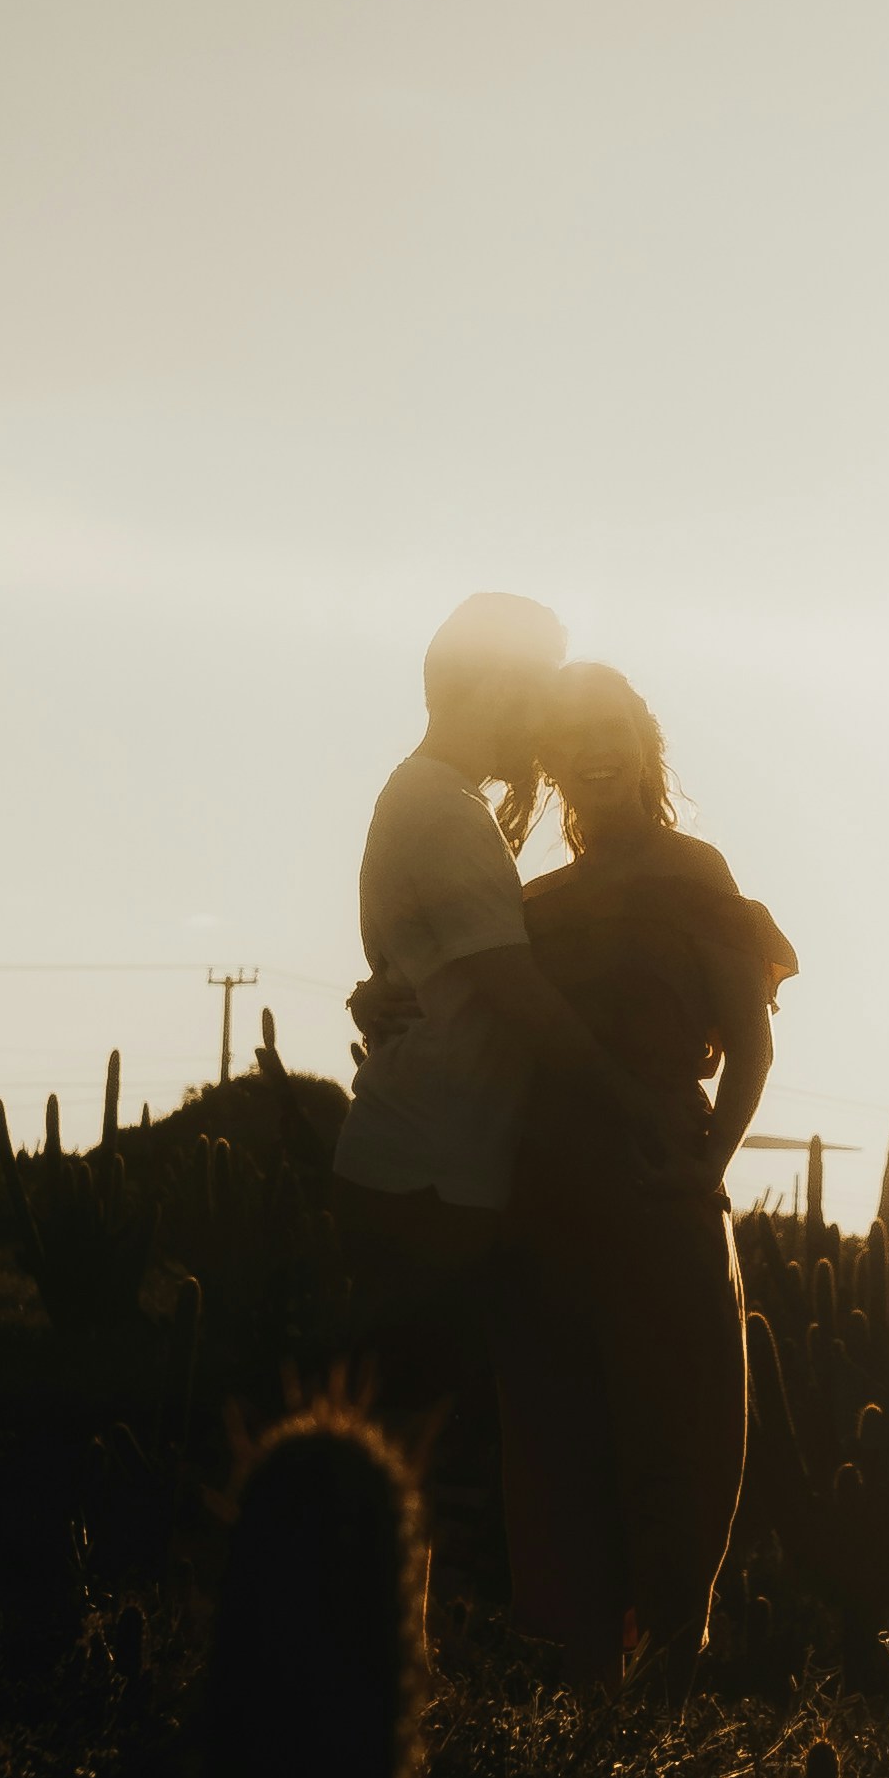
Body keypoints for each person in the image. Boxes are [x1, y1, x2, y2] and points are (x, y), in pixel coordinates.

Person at [327, 596, 680, 1565]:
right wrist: (635, 1099)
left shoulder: (435, 799)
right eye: (531, 688)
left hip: (432, 1159)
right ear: (486, 681)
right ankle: (401, 1664)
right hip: (428, 1173)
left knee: (425, 1435)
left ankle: (411, 1660)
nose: (539, 718)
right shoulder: (439, 808)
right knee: (421, 1445)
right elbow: (514, 991)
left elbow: (439, 971)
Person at [496, 661, 792, 1691]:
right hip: (546, 1194)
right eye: (571, 730)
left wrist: (706, 1168)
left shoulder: (691, 872)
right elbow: (468, 1010)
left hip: (660, 1185)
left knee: (678, 1437)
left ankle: (667, 1696)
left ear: (642, 743)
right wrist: (390, 1004)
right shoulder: (528, 900)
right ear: (553, 760)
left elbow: (750, 1048)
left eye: (612, 725)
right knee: (560, 1439)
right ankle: (586, 1708)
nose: (595, 745)